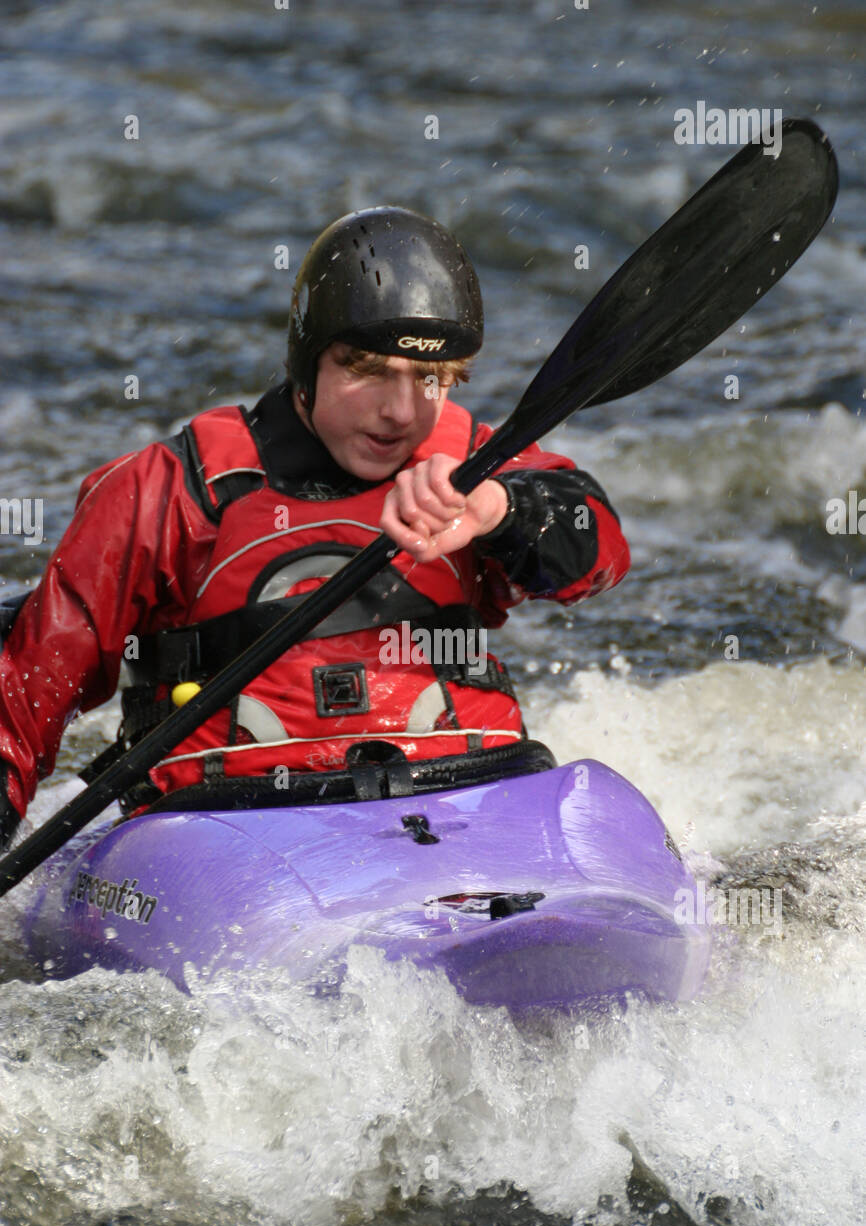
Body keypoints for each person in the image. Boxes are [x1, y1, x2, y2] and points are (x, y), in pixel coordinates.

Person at [0, 206, 630, 846]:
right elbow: (31, 692)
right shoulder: (171, 488)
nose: (400, 411)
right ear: (307, 362)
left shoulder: (477, 467)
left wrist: (501, 511)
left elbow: (599, 554)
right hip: (233, 820)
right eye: (370, 370)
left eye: (431, 378)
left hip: (465, 794)